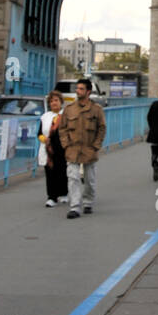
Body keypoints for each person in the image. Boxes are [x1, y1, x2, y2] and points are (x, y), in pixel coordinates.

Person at [58, 78, 106, 218]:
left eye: (81, 89)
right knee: (73, 177)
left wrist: (96, 146)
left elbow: (101, 128)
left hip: (89, 149)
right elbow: (62, 128)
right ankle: (75, 206)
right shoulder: (69, 109)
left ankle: (88, 202)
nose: (78, 91)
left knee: (89, 179)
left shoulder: (96, 110)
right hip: (72, 149)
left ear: (88, 91)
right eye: (77, 88)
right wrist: (65, 145)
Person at [38, 90, 67, 206]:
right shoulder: (45, 117)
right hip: (48, 150)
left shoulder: (66, 115)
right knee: (50, 173)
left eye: (56, 100)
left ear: (61, 102)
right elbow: (39, 133)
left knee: (62, 172)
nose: (54, 103)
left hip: (62, 149)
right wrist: (44, 139)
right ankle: (51, 197)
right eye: (51, 101)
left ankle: (64, 193)